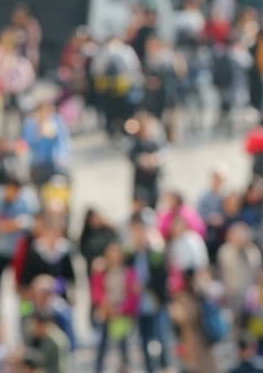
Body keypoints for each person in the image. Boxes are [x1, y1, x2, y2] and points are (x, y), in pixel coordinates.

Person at [0, 174, 39, 324]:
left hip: (19, 253)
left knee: (22, 287)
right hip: (0, 250)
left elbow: (35, 222)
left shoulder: (27, 200)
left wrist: (21, 224)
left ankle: (25, 316)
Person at [126, 217, 172, 373]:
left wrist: (145, 286)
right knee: (144, 339)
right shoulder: (131, 255)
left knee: (161, 336)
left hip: (155, 300)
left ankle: (165, 367)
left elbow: (162, 276)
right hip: (139, 304)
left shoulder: (155, 252)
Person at [90, 242, 139, 373]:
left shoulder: (128, 272)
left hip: (122, 312)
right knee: (103, 342)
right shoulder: (101, 270)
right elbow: (96, 291)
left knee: (123, 344)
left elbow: (133, 293)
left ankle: (124, 368)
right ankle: (99, 368)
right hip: (106, 311)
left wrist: (122, 309)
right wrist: (106, 305)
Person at [22, 101, 71, 189]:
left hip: (55, 165)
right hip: (37, 165)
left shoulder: (56, 121)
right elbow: (27, 143)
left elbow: (63, 142)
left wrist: (62, 158)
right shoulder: (30, 124)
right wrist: (37, 132)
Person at [129, 113, 164, 208]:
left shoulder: (154, 143)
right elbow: (132, 156)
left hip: (153, 180)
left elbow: (161, 156)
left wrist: (154, 160)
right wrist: (142, 159)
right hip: (141, 182)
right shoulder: (135, 143)